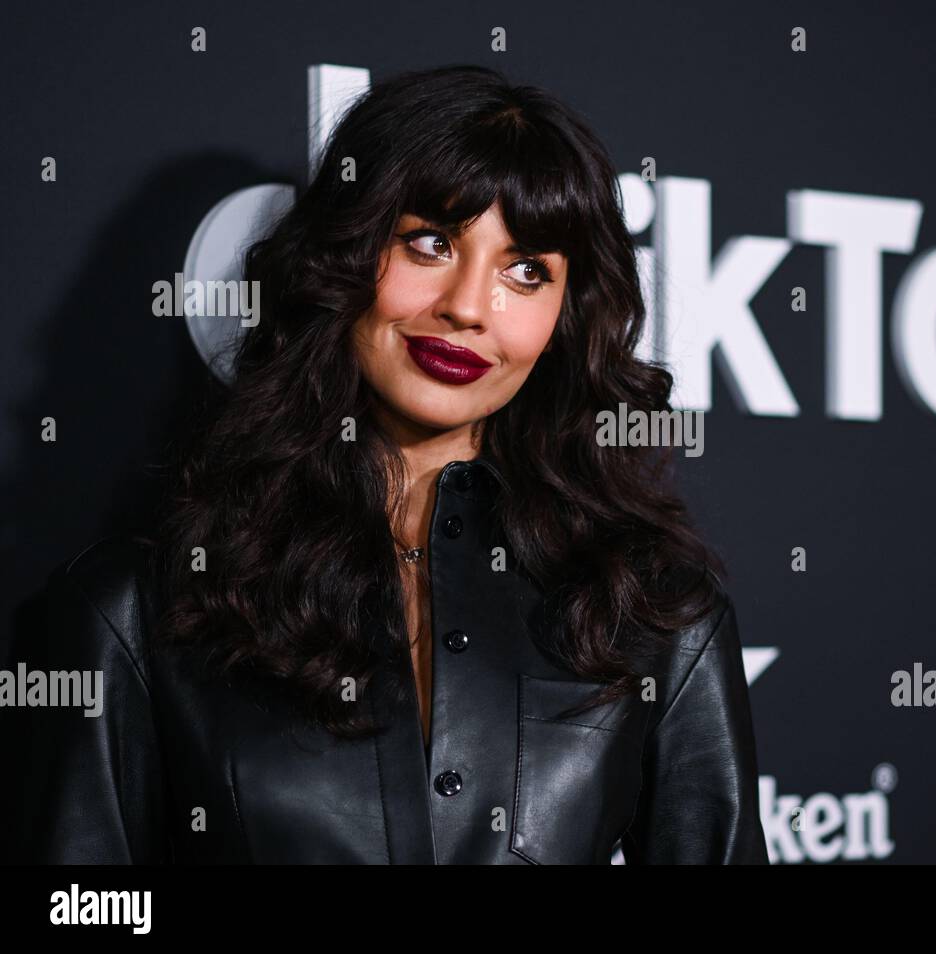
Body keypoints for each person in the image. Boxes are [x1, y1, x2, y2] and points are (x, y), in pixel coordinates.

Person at [12, 64, 769, 864]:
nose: (470, 307)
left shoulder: (652, 611)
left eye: (526, 270)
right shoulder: (137, 608)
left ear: (566, 318)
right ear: (344, 252)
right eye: (431, 243)